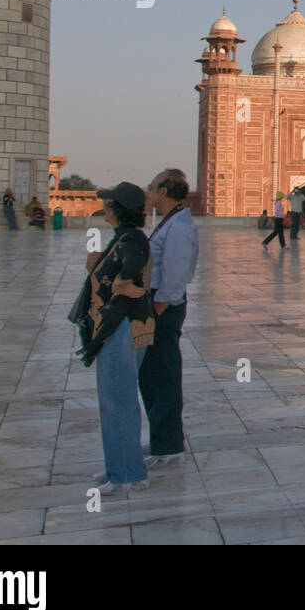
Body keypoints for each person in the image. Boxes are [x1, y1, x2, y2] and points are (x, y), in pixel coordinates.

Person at [71, 182, 154, 495]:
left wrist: (123, 283)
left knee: (117, 401)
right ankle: (119, 465)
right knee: (118, 400)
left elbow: (132, 268)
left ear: (118, 209)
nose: (104, 208)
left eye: (108, 204)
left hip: (122, 326)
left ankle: (128, 475)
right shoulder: (125, 237)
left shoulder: (131, 238)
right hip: (126, 325)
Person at [116, 168, 198, 468]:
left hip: (163, 307)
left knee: (162, 375)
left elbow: (176, 276)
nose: (149, 192)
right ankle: (163, 440)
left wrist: (156, 310)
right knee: (152, 375)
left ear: (164, 191)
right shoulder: (172, 222)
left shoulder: (178, 227)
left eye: (152, 187)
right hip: (158, 305)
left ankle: (169, 445)